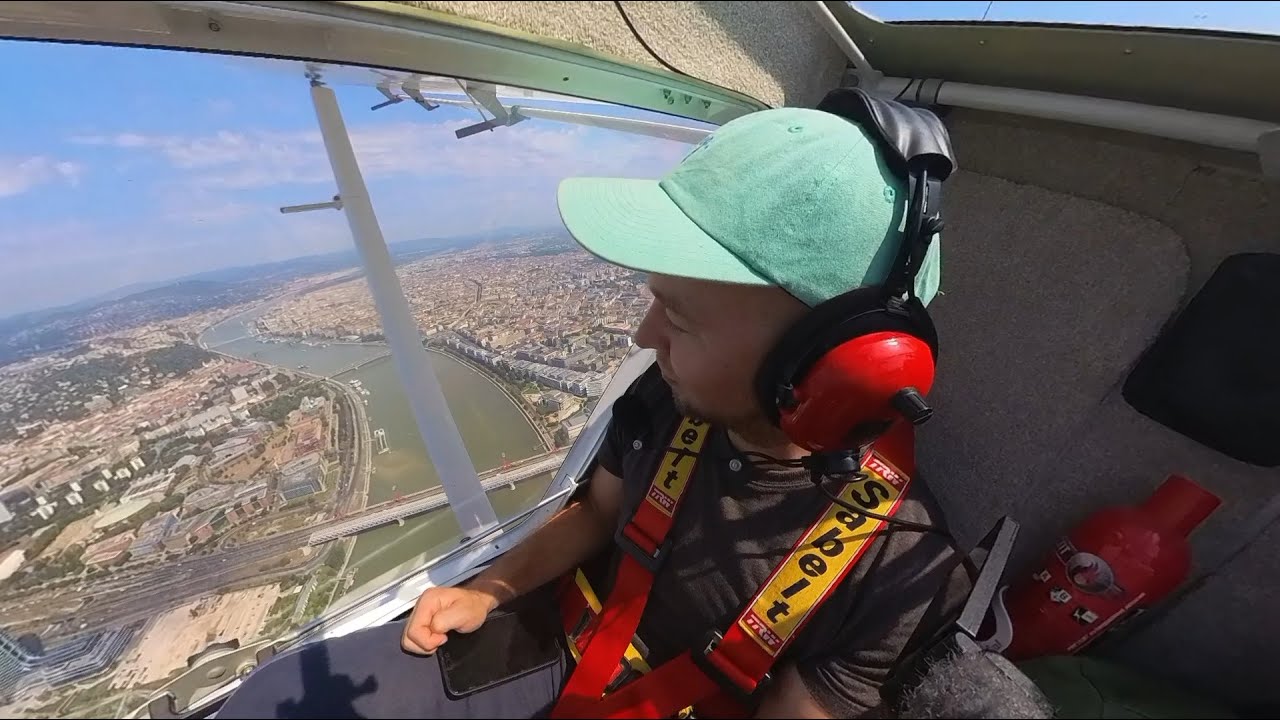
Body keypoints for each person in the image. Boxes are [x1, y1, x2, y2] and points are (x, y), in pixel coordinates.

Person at [219, 101, 967, 719]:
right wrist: (489, 589)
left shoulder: (899, 566)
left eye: (680, 318)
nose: (644, 336)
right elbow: (599, 513)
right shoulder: (669, 398)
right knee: (277, 700)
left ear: (818, 361)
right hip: (561, 646)